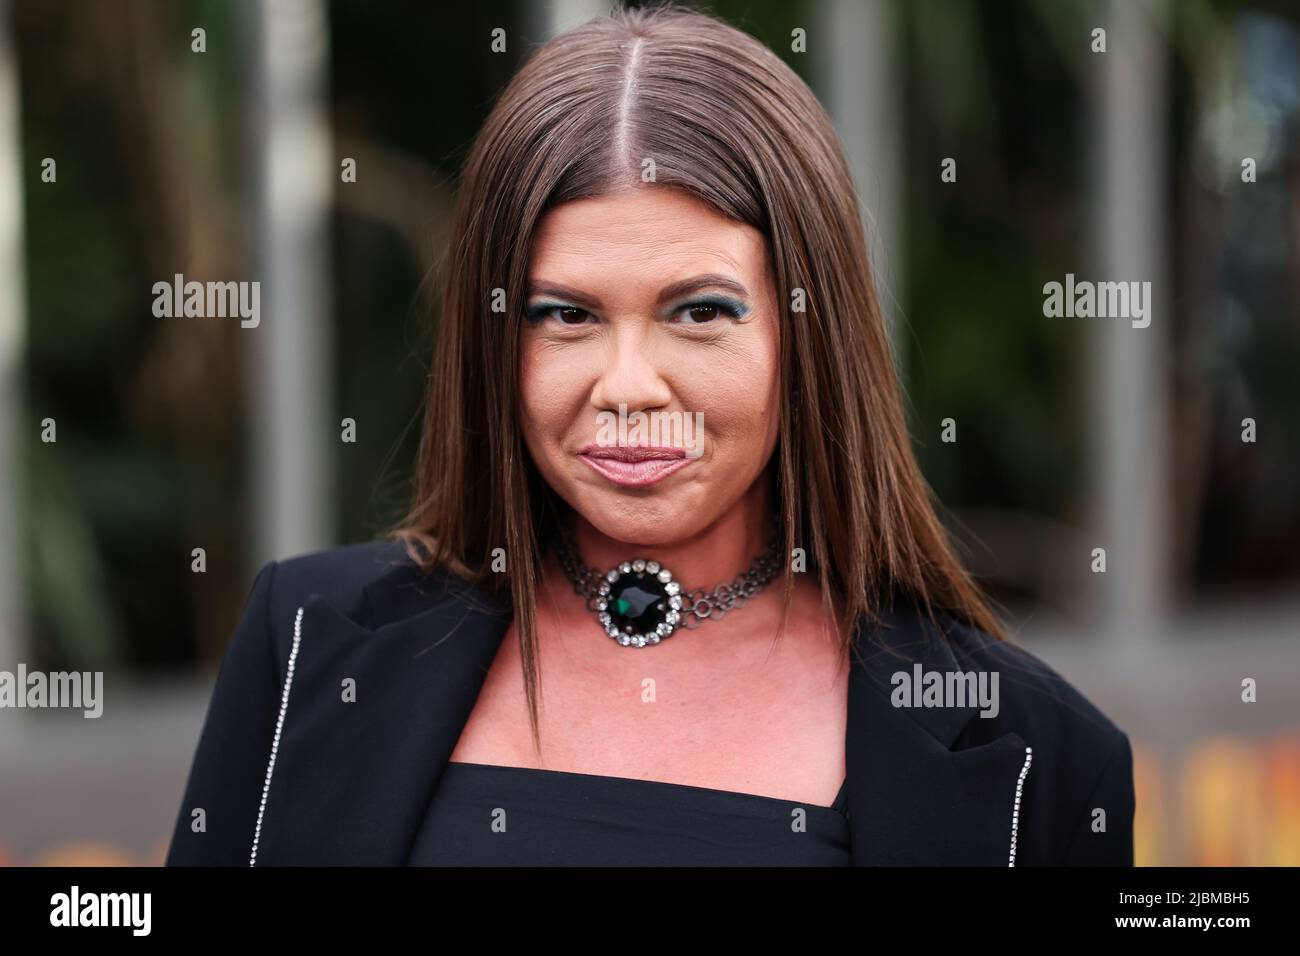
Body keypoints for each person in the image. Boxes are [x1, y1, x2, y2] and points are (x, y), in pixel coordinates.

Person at [166, 4, 1134, 867]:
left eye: (700, 311)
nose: (628, 386)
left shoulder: (1033, 754)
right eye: (565, 315)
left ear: (811, 332)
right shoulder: (304, 648)